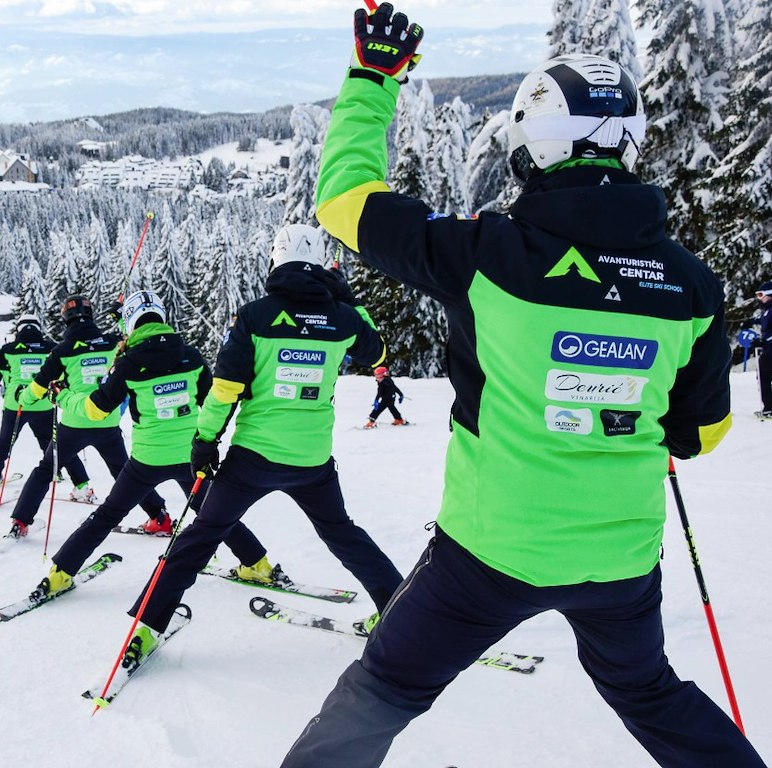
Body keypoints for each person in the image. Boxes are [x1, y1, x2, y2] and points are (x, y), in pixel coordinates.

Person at [280, 6, 766, 768]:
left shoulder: (482, 253)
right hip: (620, 563)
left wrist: (373, 77)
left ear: (533, 143)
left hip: (486, 556)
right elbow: (701, 435)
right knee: (649, 693)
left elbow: (342, 201)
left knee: (383, 690)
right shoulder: (692, 287)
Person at [120, 223, 404, 664]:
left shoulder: (255, 316)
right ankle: (401, 613)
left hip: (254, 456)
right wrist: (347, 299)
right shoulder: (344, 318)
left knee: (200, 536)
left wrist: (205, 440)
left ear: (275, 260)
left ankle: (146, 627)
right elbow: (378, 353)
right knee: (342, 533)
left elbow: (225, 390)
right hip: (311, 459)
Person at [31, 290, 262, 596]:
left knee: (108, 515)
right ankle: (259, 564)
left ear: (131, 323)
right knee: (214, 513)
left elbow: (96, 410)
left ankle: (60, 573)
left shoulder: (128, 361)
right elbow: (212, 400)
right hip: (190, 453)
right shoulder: (191, 355)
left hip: (147, 459)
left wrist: (63, 396)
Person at [7, 294, 166, 539]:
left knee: (46, 469)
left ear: (65, 318)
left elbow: (38, 387)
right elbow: (134, 334)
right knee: (126, 472)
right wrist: (121, 315)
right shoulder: (113, 342)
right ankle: (160, 517)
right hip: (108, 422)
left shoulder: (62, 351)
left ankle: (20, 521)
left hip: (73, 424)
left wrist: (22, 399)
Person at [0, 314, 90, 496]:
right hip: (43, 404)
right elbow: (64, 376)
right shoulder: (51, 348)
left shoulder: (7, 349)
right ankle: (81, 485)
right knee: (56, 443)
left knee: (4, 444)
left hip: (16, 405)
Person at [752, 281, 772, 417]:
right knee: (763, 377)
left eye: (761, 295)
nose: (759, 298)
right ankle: (769, 407)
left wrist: (764, 342)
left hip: (770, 351)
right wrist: (751, 322)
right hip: (768, 351)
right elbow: (763, 321)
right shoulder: (767, 310)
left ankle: (769, 408)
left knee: (765, 377)